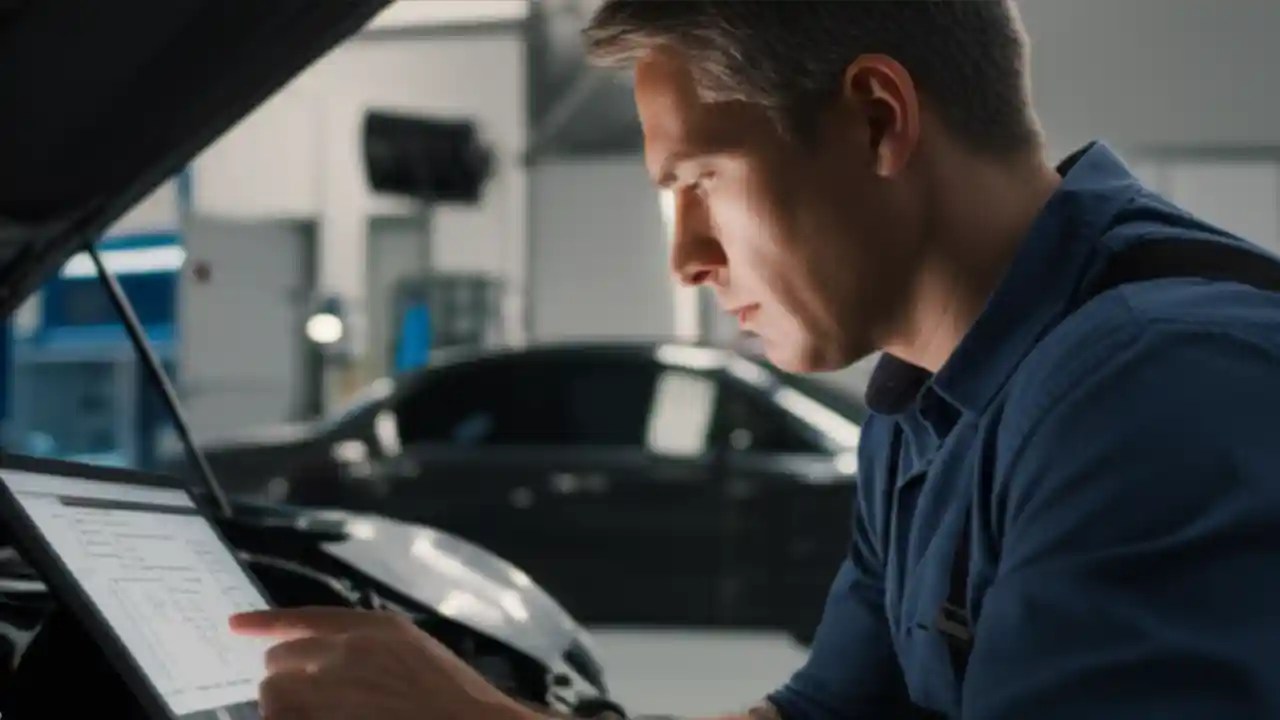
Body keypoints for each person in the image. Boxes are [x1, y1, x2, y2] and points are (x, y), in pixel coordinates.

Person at [228, 1, 1280, 718]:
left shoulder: (1152, 384)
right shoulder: (924, 402)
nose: (685, 258)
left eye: (700, 181)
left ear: (877, 119)